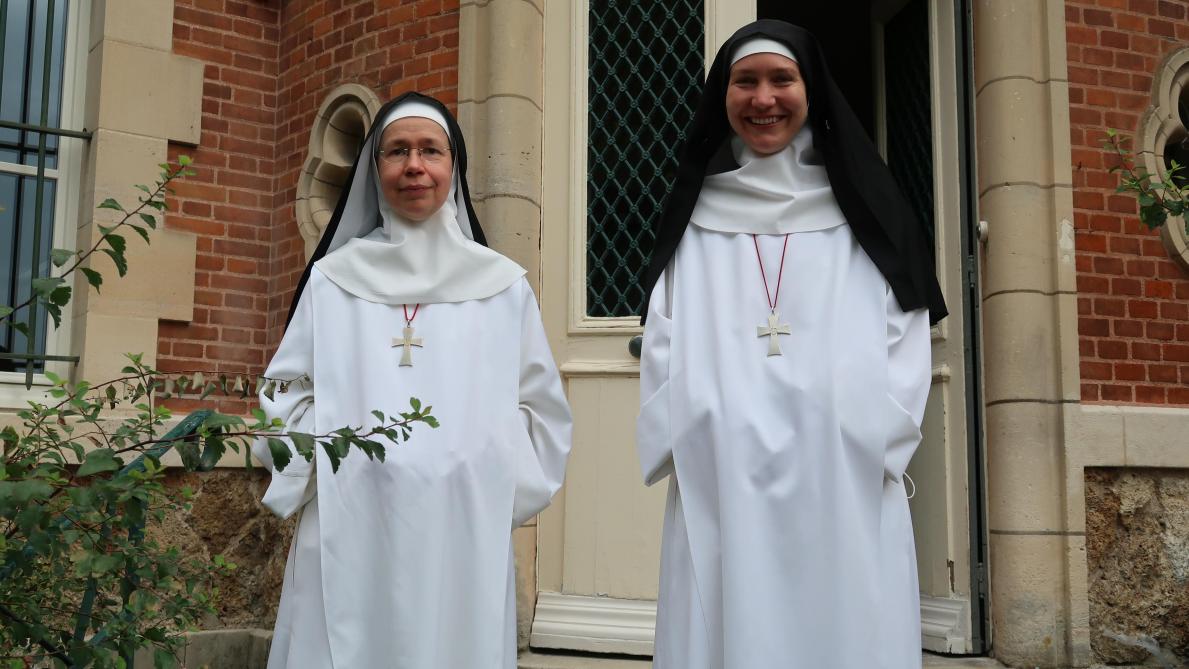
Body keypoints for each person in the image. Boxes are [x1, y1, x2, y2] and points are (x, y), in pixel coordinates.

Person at [635, 20, 947, 668]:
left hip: (842, 477)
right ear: (722, 95)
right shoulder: (694, 221)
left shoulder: (867, 209)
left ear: (813, 90)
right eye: (743, 81)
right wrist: (698, 426)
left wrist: (867, 434)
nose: (762, 98)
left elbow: (906, 328)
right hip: (723, 476)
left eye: (781, 79)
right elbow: (662, 337)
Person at [252, 92, 572, 669]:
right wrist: (334, 461)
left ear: (455, 168)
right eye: (396, 151)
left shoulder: (502, 287)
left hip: (461, 525)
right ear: (375, 171)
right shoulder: (332, 280)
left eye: (431, 150)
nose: (414, 166)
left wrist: (485, 476)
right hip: (351, 519)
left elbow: (541, 409)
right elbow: (284, 392)